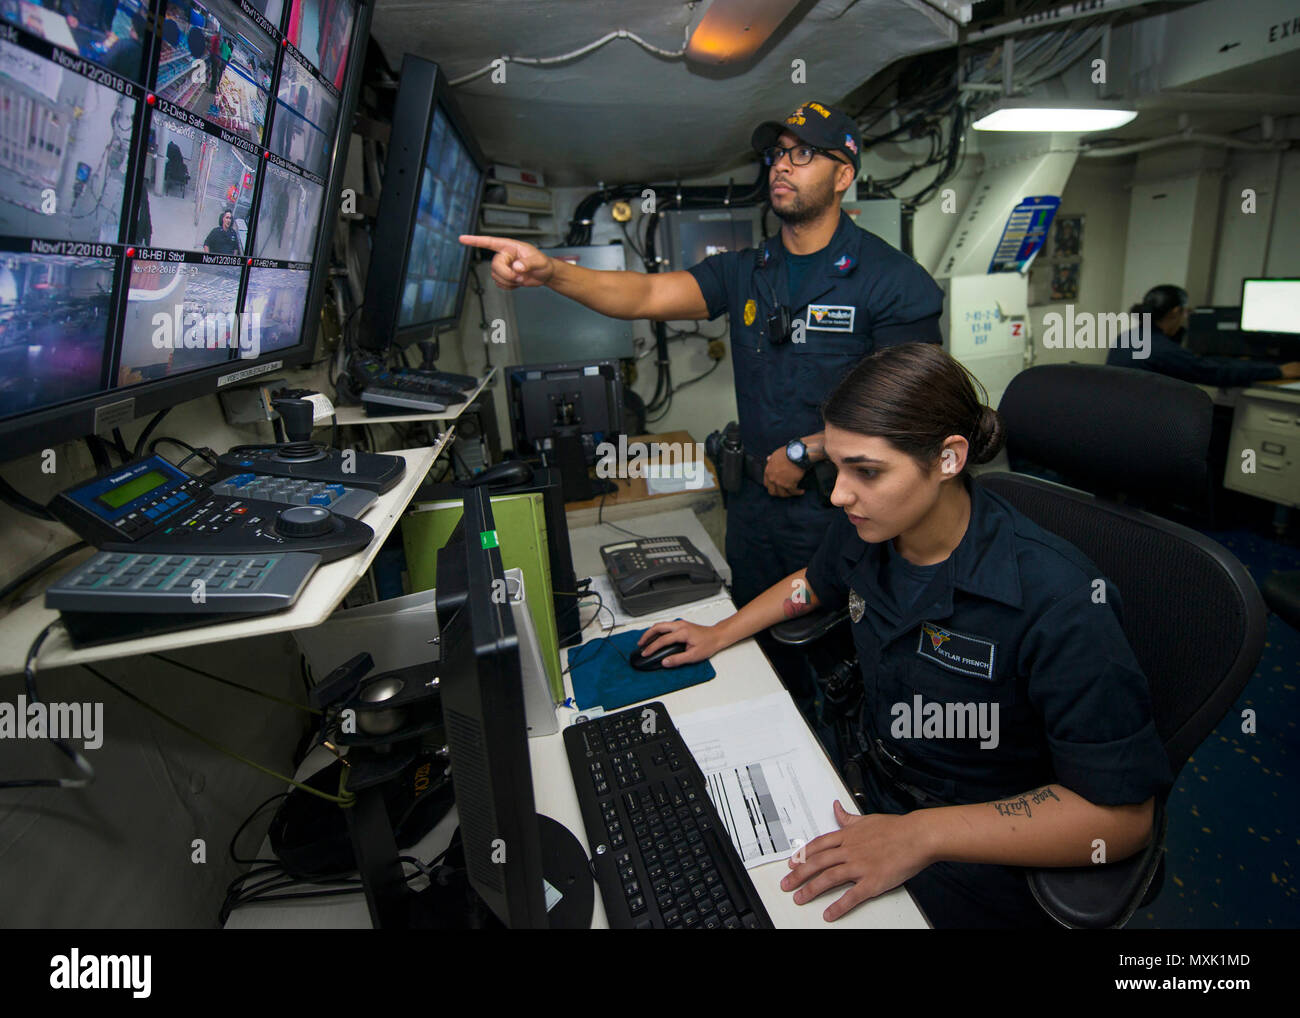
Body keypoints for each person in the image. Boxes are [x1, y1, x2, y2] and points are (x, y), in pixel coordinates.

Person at [635, 343, 1172, 928]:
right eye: (835, 466)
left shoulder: (1061, 600)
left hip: (977, 839)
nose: (839, 494)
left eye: (866, 471)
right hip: (866, 778)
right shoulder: (874, 525)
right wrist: (720, 631)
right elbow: (811, 586)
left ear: (947, 459)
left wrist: (921, 835)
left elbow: (1119, 820)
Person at [460, 102, 944, 705]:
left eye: (802, 154)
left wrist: (808, 448)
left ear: (843, 174)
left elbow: (917, 408)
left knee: (839, 671)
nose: (780, 168)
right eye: (775, 154)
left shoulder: (891, 281)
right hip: (754, 513)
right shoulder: (748, 270)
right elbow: (645, 294)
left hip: (843, 516)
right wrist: (551, 272)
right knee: (756, 658)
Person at [1107, 284, 1300, 386]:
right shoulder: (1162, 349)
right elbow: (1214, 373)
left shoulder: (1128, 337)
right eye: (1185, 312)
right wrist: (1279, 371)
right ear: (1175, 312)